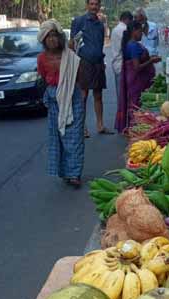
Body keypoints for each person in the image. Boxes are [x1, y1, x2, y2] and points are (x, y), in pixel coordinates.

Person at [38, 20, 85, 187]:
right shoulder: (41, 59)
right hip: (54, 100)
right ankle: (65, 172)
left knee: (74, 137)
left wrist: (66, 88)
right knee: (59, 137)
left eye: (54, 35)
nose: (52, 39)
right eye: (48, 36)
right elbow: (45, 78)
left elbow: (79, 78)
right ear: (43, 40)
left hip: (73, 98)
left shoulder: (71, 56)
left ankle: (75, 174)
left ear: (60, 37)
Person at [71, 0, 111, 135]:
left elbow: (100, 44)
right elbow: (72, 44)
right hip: (84, 63)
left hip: (98, 63)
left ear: (99, 6)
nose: (94, 7)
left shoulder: (100, 25)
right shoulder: (78, 21)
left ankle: (100, 125)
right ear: (87, 5)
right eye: (91, 4)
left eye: (96, 4)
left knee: (98, 95)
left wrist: (102, 61)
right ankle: (82, 128)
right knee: (83, 95)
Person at [117, 21, 159, 133]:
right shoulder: (133, 46)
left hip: (135, 81)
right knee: (135, 105)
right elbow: (137, 67)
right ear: (134, 31)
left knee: (134, 104)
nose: (142, 34)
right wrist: (151, 60)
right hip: (136, 81)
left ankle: (133, 128)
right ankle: (134, 129)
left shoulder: (132, 44)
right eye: (140, 31)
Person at [108, 12, 132, 128]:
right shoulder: (123, 30)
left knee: (121, 95)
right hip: (121, 64)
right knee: (123, 96)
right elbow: (126, 48)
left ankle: (123, 122)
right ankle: (123, 124)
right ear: (127, 20)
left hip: (116, 64)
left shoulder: (115, 29)